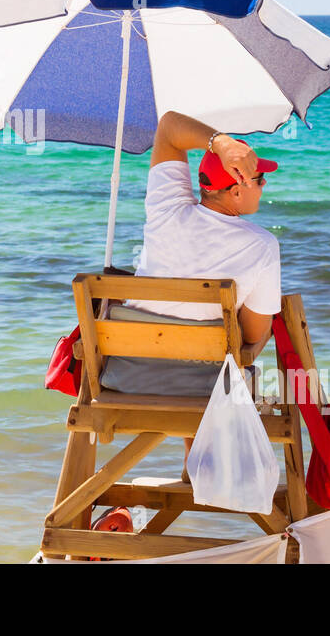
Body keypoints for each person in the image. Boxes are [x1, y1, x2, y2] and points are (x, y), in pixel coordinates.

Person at [98, 110, 281, 478]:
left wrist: (221, 143)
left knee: (187, 337)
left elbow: (167, 127)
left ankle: (191, 458)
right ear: (236, 189)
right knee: (251, 336)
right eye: (259, 180)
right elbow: (251, 338)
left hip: (123, 379)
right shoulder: (262, 245)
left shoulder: (166, 210)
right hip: (205, 394)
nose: (264, 187)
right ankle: (200, 462)